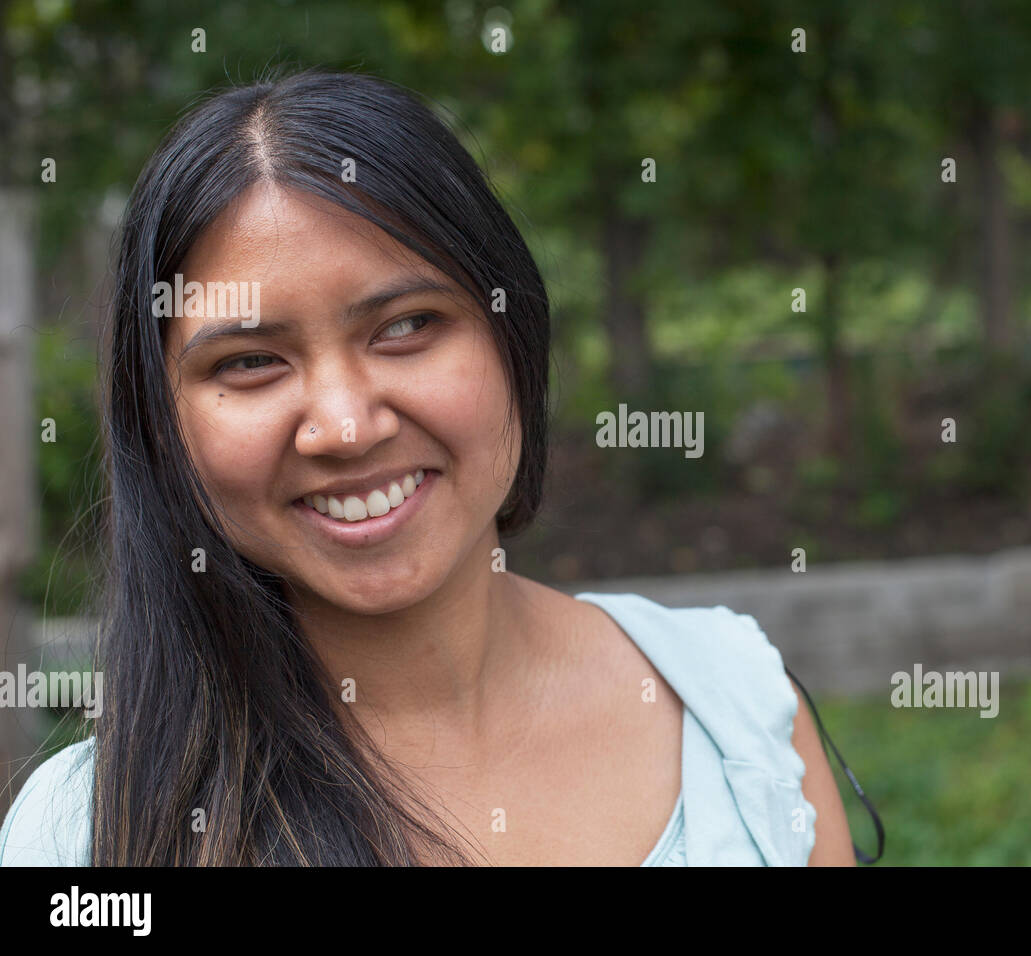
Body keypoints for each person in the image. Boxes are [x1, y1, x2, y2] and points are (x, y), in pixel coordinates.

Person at [0, 69, 855, 866]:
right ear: (162, 421)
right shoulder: (87, 835)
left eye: (406, 327)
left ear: (512, 333)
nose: (344, 425)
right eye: (250, 362)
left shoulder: (733, 712)